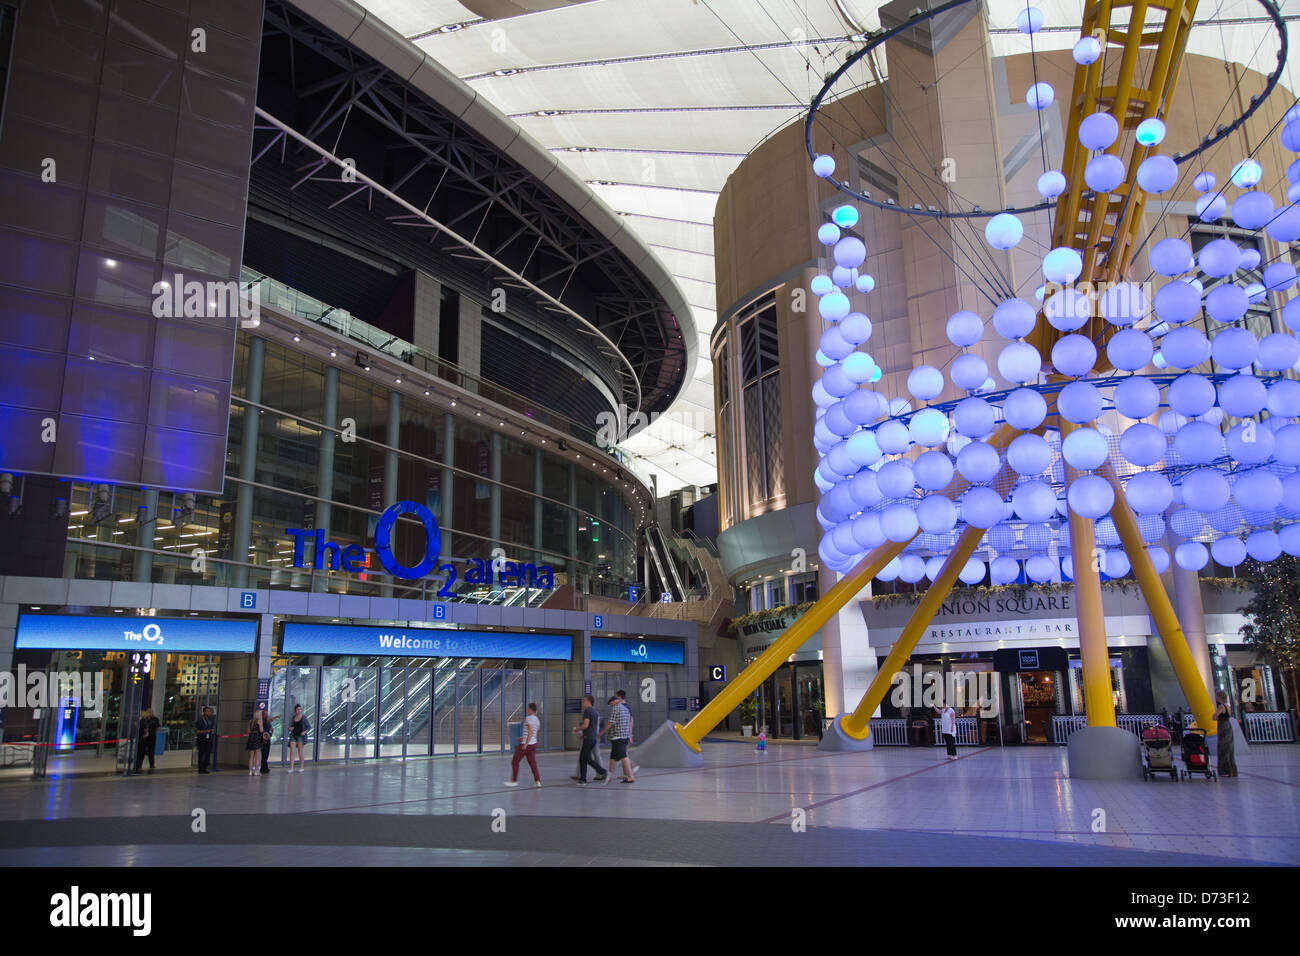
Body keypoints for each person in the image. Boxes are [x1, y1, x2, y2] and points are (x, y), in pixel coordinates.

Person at [570, 694, 607, 785]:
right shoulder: (595, 712)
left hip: (588, 738)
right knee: (587, 759)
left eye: (584, 701)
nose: (583, 702)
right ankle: (602, 772)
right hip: (593, 738)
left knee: (583, 759)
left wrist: (576, 729)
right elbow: (593, 726)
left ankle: (583, 779)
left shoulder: (587, 711)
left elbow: (585, 725)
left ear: (589, 701)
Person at [504, 702, 542, 787]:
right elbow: (533, 733)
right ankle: (537, 781)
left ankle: (514, 781)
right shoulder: (537, 720)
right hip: (533, 744)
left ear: (530, 709)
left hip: (526, 744)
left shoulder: (529, 718)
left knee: (515, 761)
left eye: (528, 708)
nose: (527, 710)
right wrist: (522, 738)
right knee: (533, 763)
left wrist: (525, 743)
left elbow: (531, 731)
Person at [600, 695, 635, 784]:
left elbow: (610, 723)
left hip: (618, 737)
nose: (611, 706)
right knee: (613, 757)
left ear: (614, 702)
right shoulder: (625, 709)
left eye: (610, 704)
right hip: (624, 736)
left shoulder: (616, 709)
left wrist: (600, 733)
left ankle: (630, 776)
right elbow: (630, 721)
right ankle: (609, 776)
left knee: (623, 756)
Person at [1214, 690, 1238, 777]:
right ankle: (1232, 770)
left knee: (1223, 748)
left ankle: (1224, 770)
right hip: (1228, 726)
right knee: (1229, 748)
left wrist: (1215, 716)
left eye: (1217, 696)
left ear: (1219, 697)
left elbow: (1215, 716)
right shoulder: (1228, 706)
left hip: (1222, 726)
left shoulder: (1221, 706)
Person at [135, 707, 160, 773]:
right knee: (142, 753)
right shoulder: (144, 720)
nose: (148, 714)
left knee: (151, 752)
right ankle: (139, 765)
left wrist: (152, 732)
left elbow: (157, 728)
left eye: (149, 712)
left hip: (151, 737)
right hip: (144, 739)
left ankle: (152, 764)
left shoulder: (155, 719)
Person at [288, 705, 309, 773]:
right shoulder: (293, 717)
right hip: (293, 735)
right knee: (292, 751)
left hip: (300, 736)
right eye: (297, 709)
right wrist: (291, 728)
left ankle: (301, 767)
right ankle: (291, 768)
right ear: (295, 711)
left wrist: (304, 732)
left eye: (300, 709)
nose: (299, 711)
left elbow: (308, 727)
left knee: (300, 751)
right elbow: (291, 726)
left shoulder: (303, 717)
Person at [194, 706, 216, 774]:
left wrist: (211, 731)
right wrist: (206, 731)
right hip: (202, 739)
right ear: (203, 712)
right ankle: (200, 769)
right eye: (207, 711)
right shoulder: (200, 720)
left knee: (208, 754)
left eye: (209, 711)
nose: (208, 712)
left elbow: (212, 729)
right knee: (201, 754)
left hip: (208, 740)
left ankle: (205, 767)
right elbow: (197, 731)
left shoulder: (210, 720)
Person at [246, 710, 266, 776]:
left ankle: (250, 771)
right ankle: (257, 771)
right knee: (257, 755)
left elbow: (248, 731)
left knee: (251, 756)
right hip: (257, 738)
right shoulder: (259, 721)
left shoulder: (250, 722)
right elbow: (261, 730)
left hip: (251, 738)